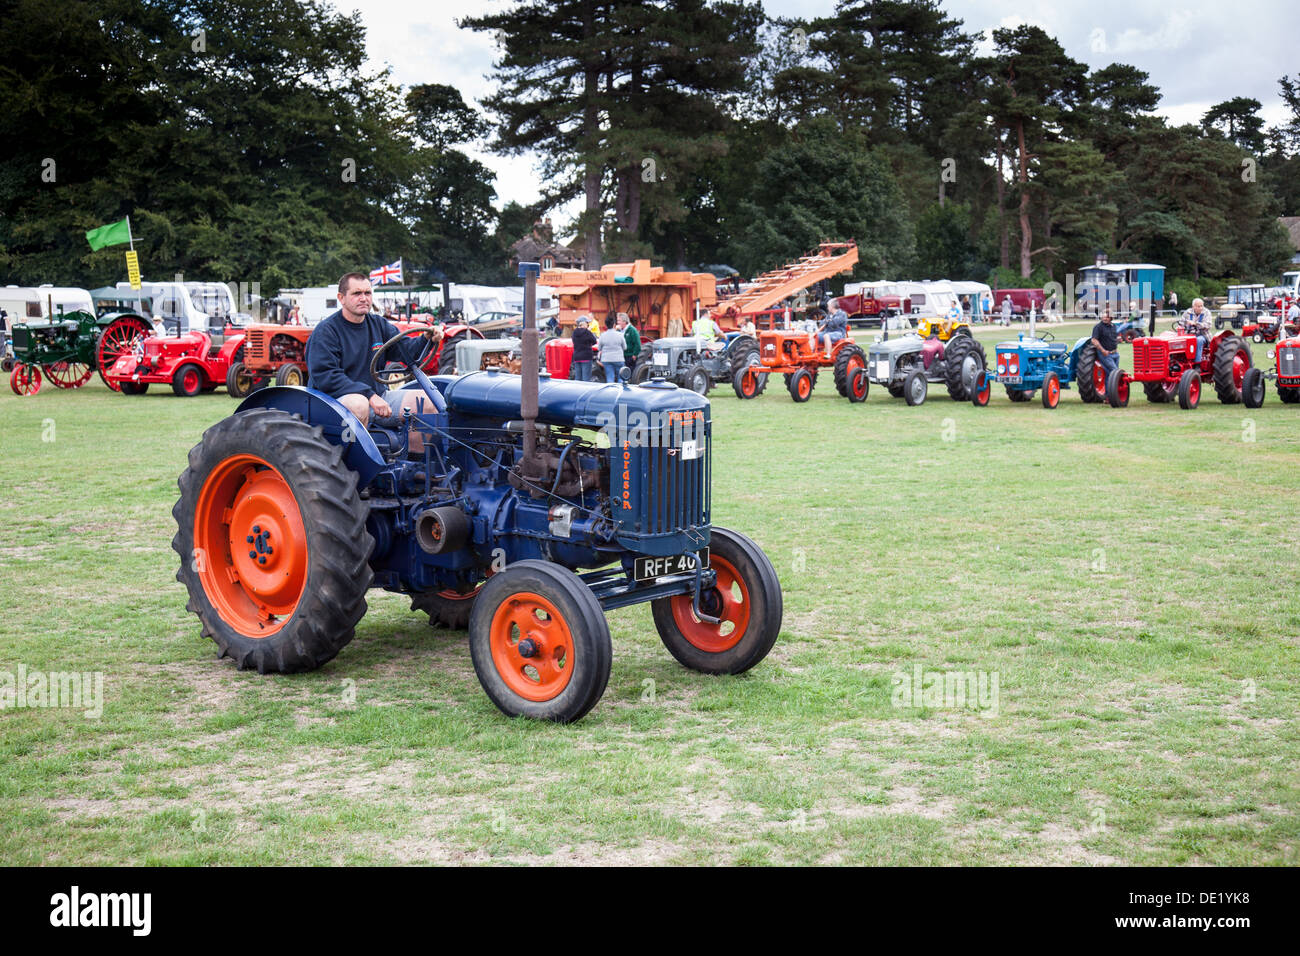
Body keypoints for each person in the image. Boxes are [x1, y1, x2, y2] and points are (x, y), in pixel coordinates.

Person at [305, 272, 441, 451]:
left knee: (428, 402)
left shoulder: (378, 324)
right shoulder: (326, 332)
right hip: (335, 402)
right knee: (359, 405)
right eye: (356, 293)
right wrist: (369, 396)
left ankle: (414, 465)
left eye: (367, 293)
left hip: (378, 398)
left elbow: (405, 352)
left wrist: (426, 339)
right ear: (341, 298)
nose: (363, 298)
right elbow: (327, 377)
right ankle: (354, 466)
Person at [1091, 308, 1121, 377]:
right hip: (1105, 354)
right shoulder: (1098, 327)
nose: (1104, 319)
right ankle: (1112, 387)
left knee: (1110, 375)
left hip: (1115, 354)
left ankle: (1112, 388)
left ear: (1111, 318)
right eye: (1103, 317)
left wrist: (1117, 340)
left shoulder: (1114, 326)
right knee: (1115, 372)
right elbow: (1094, 340)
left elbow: (1113, 338)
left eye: (1107, 317)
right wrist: (1103, 350)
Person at [1181, 298, 1212, 363]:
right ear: (1193, 307)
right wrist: (1179, 327)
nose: (1200, 308)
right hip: (1188, 335)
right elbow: (1181, 323)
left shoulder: (1206, 312)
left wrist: (1195, 323)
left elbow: (1208, 325)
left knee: (1198, 340)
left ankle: (1197, 364)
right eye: (1198, 306)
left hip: (1203, 335)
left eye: (1201, 306)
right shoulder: (1188, 312)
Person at [598, 314, 626, 382]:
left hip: (606, 360)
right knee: (620, 378)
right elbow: (625, 347)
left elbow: (599, 348)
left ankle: (610, 391)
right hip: (619, 359)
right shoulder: (620, 335)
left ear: (606, 325)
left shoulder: (602, 335)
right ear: (614, 324)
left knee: (610, 378)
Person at [571, 315, 597, 380]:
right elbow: (594, 341)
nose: (588, 324)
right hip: (586, 357)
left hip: (577, 356)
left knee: (578, 377)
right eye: (587, 323)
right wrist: (589, 332)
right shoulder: (587, 332)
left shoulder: (574, 332)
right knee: (586, 378)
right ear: (583, 323)